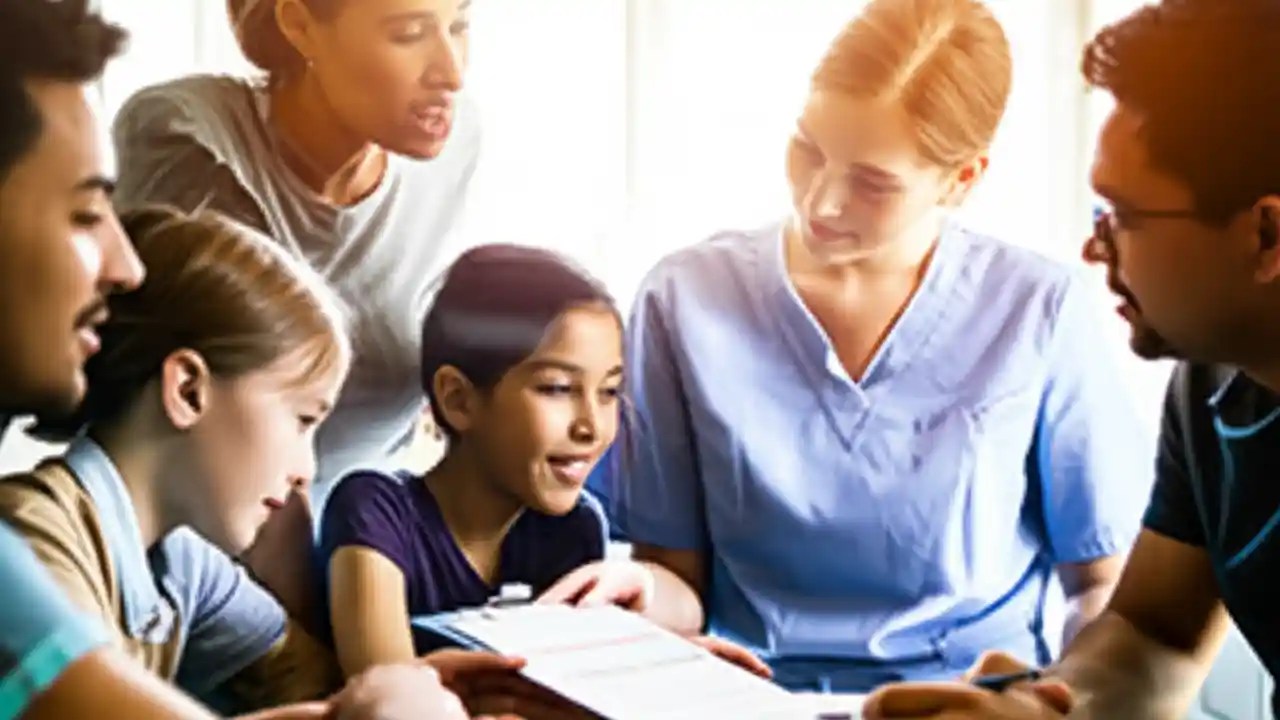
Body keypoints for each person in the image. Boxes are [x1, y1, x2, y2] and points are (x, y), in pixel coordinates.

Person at [544, 0, 1149, 694]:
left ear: (963, 179)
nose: (822, 202)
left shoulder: (1039, 309)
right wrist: (636, 591)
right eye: (808, 150)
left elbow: (1101, 586)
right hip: (751, 697)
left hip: (973, 702)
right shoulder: (685, 299)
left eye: (872, 182)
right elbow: (679, 579)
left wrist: (1063, 704)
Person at [862, 1, 1280, 718]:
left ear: (1266, 234)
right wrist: (1050, 705)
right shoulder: (1215, 381)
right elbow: (1158, 634)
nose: (1095, 249)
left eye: (1123, 216)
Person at [0, 205, 524, 718]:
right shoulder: (31, 540)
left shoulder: (181, 563)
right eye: (302, 420)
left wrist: (404, 686)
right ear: (187, 390)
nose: (307, 470)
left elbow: (305, 680)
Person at [111, 0, 483, 509]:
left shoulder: (452, 147)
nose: (452, 73)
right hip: (204, 531)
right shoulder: (189, 138)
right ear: (300, 24)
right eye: (408, 33)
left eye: (459, 26)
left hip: (368, 530)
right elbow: (217, 395)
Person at [318, 245, 622, 677]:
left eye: (609, 392)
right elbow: (391, 698)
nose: (591, 426)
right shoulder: (376, 512)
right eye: (556, 388)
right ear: (458, 399)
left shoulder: (575, 529)